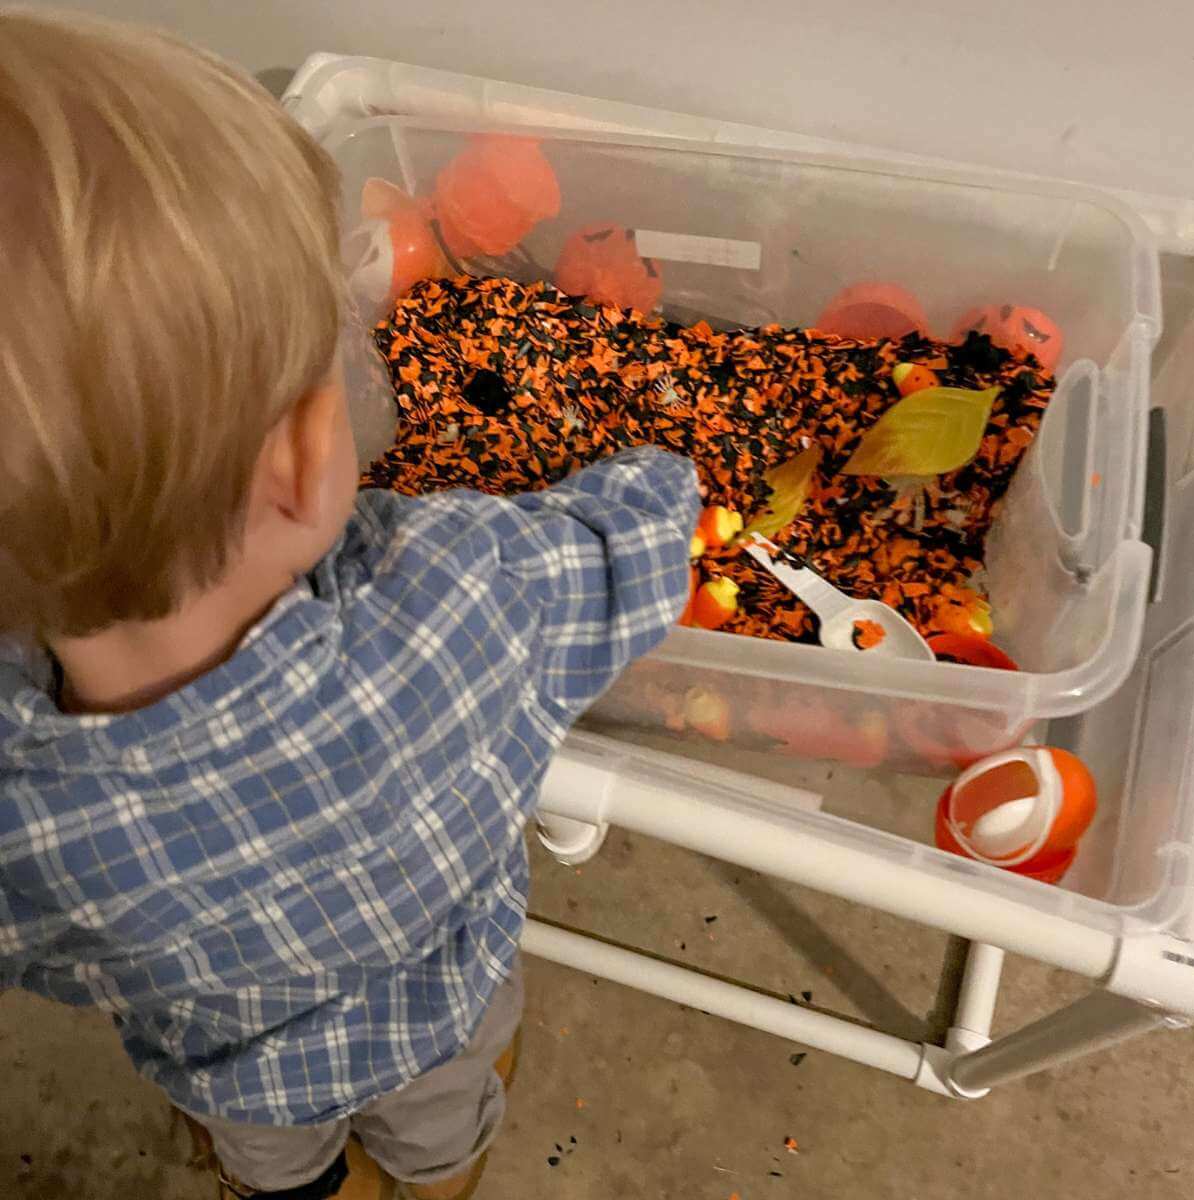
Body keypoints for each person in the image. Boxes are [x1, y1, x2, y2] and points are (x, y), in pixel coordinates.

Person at [0, 11, 698, 1199]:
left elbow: (44, 955)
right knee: (442, 1128)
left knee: (272, 1169)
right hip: (436, 1021)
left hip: (234, 1079)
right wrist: (663, 471)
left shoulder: (24, 819)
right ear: (307, 450)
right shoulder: (461, 596)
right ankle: (438, 1177)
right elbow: (632, 543)